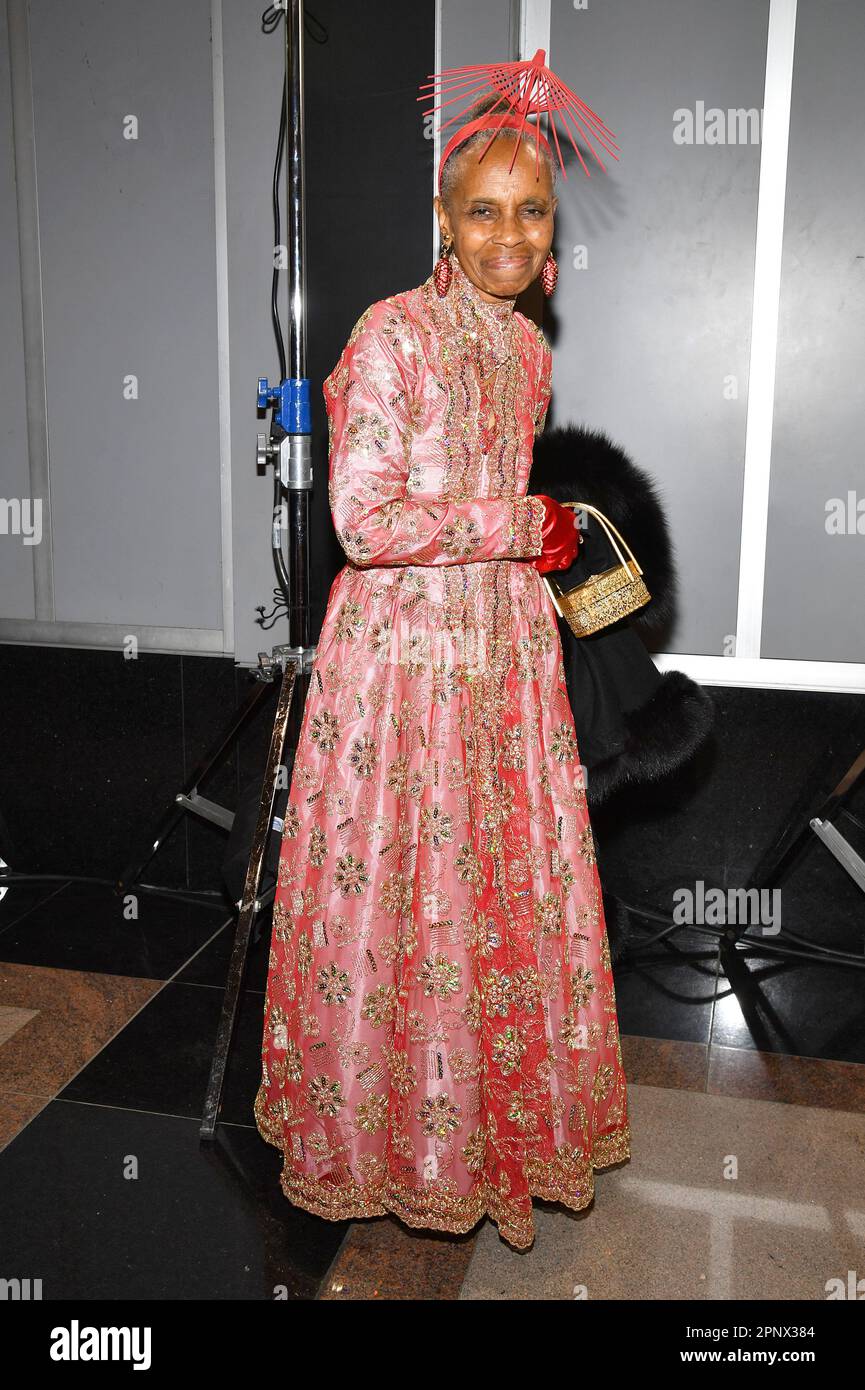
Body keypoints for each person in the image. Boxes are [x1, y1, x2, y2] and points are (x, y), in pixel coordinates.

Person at [255, 72, 631, 1252]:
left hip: (503, 658)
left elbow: (480, 493)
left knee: (493, 890)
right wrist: (529, 524)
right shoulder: (389, 332)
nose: (509, 236)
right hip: (401, 661)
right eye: (484, 210)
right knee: (401, 895)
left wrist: (537, 538)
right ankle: (390, 1138)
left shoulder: (528, 355)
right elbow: (365, 523)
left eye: (532, 214)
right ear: (443, 217)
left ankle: (489, 1134)